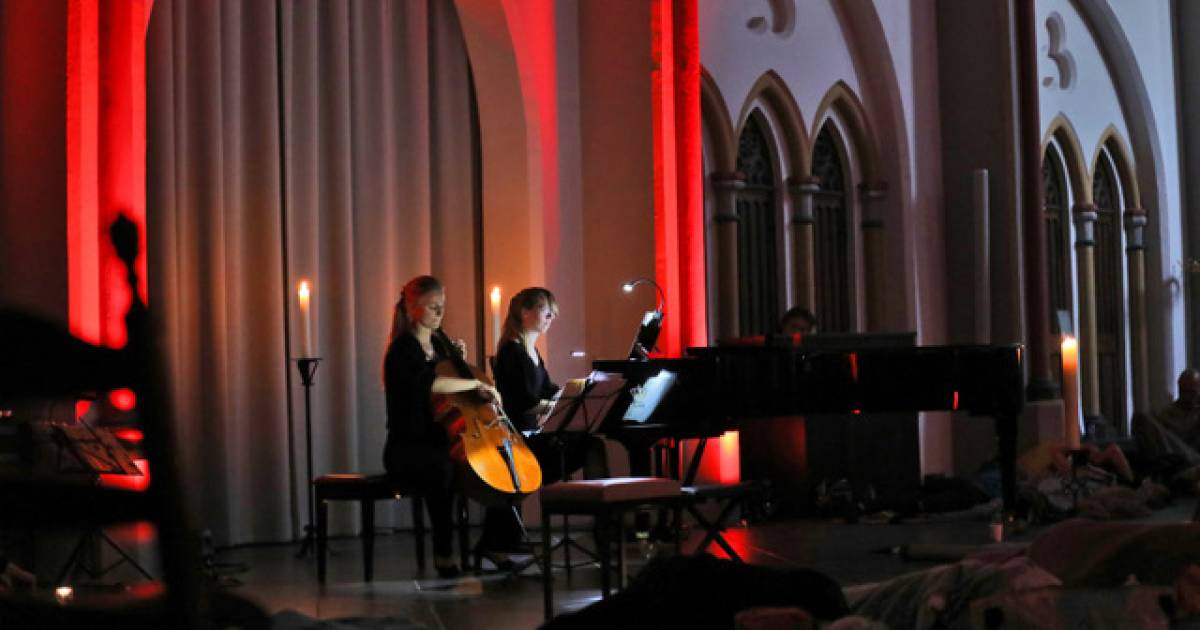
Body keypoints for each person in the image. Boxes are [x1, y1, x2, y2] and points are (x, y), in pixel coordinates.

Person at [381, 275, 502, 578]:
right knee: (442, 469)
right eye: (433, 307)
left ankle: (495, 542)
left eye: (442, 307)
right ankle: (444, 553)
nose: (439, 313)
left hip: (440, 439)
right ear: (412, 309)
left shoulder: (438, 345)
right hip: (408, 447)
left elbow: (453, 395)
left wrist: (458, 362)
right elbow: (430, 384)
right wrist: (474, 380)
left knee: (492, 462)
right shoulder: (402, 349)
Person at [486, 288, 610, 555]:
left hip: (535, 435)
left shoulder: (531, 351)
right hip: (520, 440)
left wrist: (580, 392)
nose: (551, 316)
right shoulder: (511, 352)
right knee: (590, 447)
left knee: (592, 445)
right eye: (545, 310)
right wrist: (559, 403)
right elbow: (522, 402)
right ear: (525, 312)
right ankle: (603, 526)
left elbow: (548, 390)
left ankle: (603, 523)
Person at [1133, 368, 1200, 469]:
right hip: (1173, 451)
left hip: (1193, 456)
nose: (1187, 397)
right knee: (1141, 418)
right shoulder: (1170, 412)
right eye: (1184, 392)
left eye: (1191, 392)